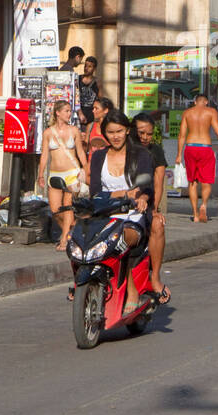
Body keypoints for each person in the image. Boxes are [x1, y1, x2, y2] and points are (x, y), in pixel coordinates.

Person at [89, 108, 157, 313]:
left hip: (132, 217)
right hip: (104, 216)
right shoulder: (98, 156)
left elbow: (147, 188)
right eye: (110, 132)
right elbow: (95, 193)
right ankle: (81, 283)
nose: (115, 136)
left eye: (119, 131)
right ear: (105, 134)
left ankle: (133, 291)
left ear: (127, 130)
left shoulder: (141, 154)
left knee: (121, 239)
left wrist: (142, 198)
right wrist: (122, 194)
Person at [38, 100, 89, 252]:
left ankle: (64, 238)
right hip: (54, 174)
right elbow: (44, 155)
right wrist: (40, 174)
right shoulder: (48, 133)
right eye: (66, 111)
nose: (69, 114)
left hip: (71, 173)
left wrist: (85, 168)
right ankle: (72, 228)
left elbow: (80, 151)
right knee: (55, 210)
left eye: (70, 111)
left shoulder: (74, 131)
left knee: (67, 206)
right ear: (57, 113)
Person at [132, 112, 171, 304]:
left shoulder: (155, 152)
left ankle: (155, 277)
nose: (145, 138)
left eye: (149, 134)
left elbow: (158, 181)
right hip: (120, 202)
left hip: (147, 202)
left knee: (157, 225)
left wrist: (155, 208)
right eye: (141, 133)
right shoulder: (125, 147)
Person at [177, 92, 218, 223]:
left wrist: (178, 155)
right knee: (206, 182)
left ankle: (194, 214)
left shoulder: (187, 113)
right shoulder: (211, 112)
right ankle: (204, 205)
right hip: (205, 147)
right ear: (206, 102)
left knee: (192, 183)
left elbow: (182, 135)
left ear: (195, 102)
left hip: (190, 147)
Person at [78, 56, 100, 126]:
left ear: (94, 68)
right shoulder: (78, 79)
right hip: (78, 113)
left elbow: (100, 100)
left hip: (91, 115)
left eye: (89, 66)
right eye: (85, 66)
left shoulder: (97, 82)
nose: (86, 68)